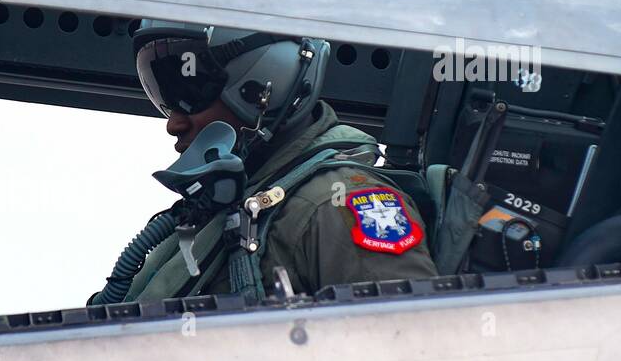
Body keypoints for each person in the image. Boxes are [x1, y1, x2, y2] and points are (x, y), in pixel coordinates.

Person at [90, 23, 438, 304]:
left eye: (190, 92)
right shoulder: (229, 209)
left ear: (265, 85)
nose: (173, 123)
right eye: (164, 97)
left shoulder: (336, 204)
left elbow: (408, 355)